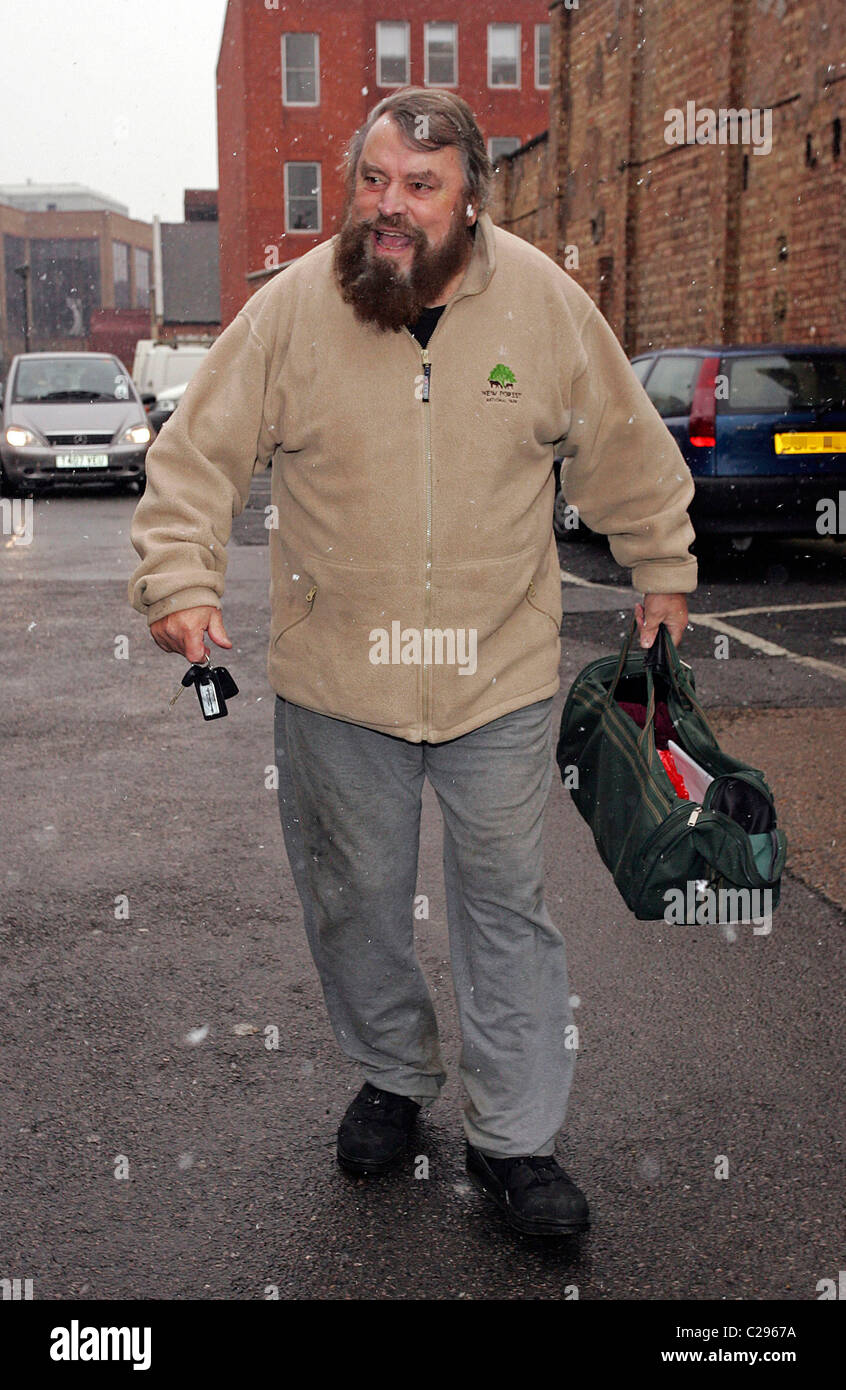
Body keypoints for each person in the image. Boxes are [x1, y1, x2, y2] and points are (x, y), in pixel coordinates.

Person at [128, 88, 696, 1238]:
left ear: (471, 199)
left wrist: (662, 564)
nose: (390, 208)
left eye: (420, 187)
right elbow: (197, 455)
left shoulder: (541, 304)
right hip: (342, 681)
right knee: (355, 903)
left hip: (497, 677)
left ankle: (516, 1140)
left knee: (506, 908)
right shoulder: (291, 311)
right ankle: (393, 1074)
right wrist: (180, 582)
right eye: (373, 181)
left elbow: (625, 443)